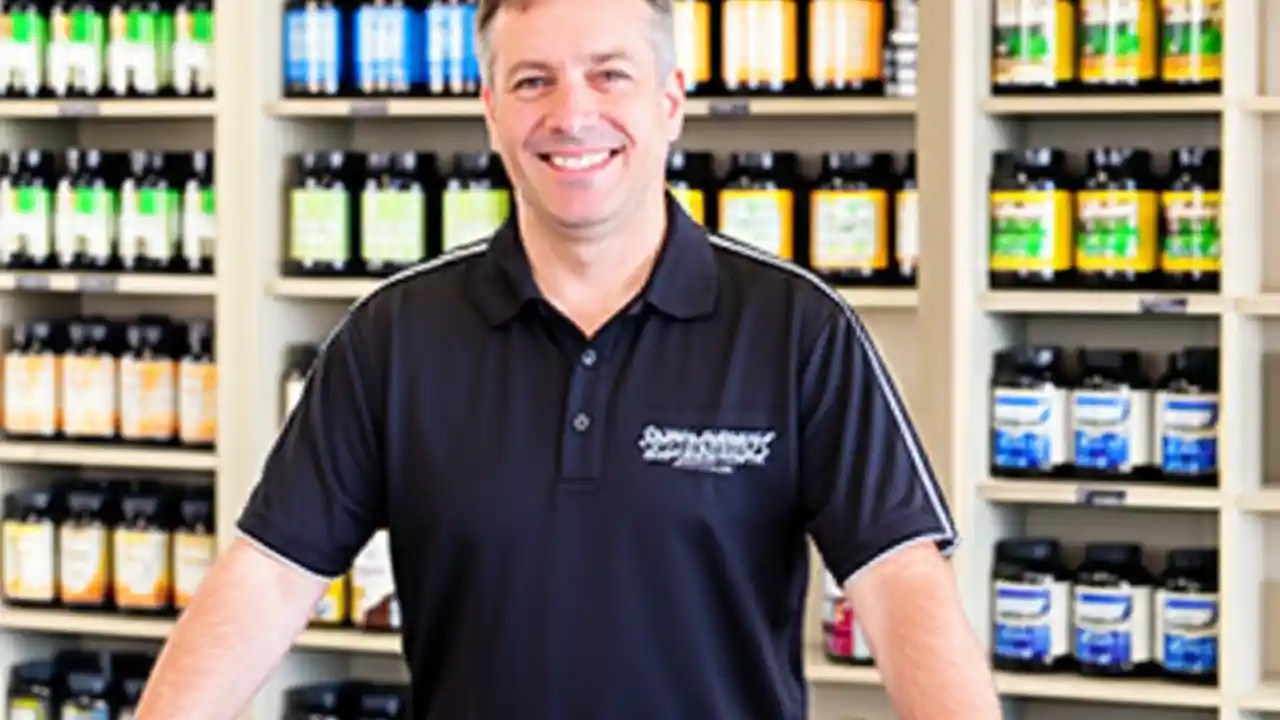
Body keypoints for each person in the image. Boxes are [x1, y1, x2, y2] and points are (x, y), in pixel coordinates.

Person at [134, 0, 1001, 717]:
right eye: (533, 81)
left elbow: (903, 591)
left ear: (670, 100)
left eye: (608, 74)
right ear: (491, 107)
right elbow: (266, 579)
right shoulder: (393, 336)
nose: (572, 114)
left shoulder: (796, 329)